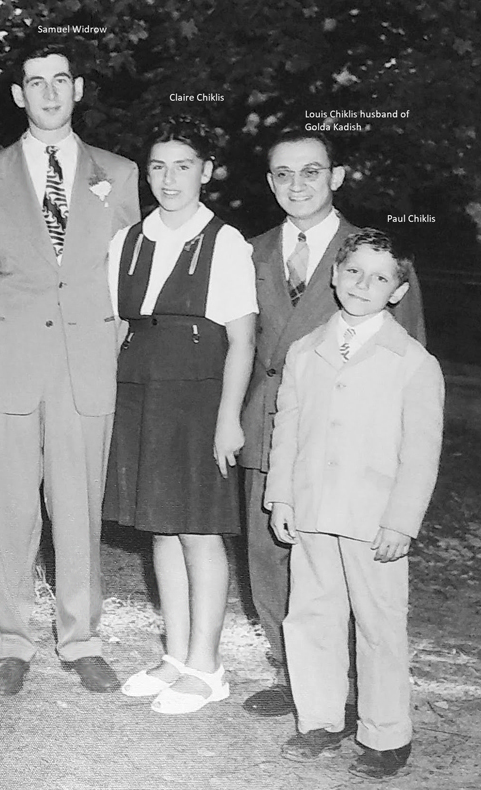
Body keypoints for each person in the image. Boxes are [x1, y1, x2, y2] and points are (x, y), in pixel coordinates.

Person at [0, 45, 140, 695]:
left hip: (84, 367)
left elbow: (128, 279)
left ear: (78, 89)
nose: (48, 92)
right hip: (9, 366)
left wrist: (105, 345)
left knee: (78, 510)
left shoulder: (118, 174)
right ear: (19, 95)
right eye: (34, 83)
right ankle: (11, 643)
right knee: (8, 511)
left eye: (59, 80)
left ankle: (81, 639)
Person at [240, 129, 426, 719]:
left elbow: (408, 361)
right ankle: (292, 675)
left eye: (312, 171)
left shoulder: (375, 256)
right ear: (269, 182)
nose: (298, 185)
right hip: (271, 425)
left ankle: (359, 693)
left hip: (352, 445)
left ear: (337, 177)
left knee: (356, 581)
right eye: (283, 174)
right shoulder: (248, 249)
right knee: (272, 553)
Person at [266, 229, 442, 780]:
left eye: (381, 277)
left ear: (397, 291)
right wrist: (281, 495)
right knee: (311, 613)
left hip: (374, 519)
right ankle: (319, 717)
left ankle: (387, 733)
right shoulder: (305, 349)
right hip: (314, 506)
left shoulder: (412, 362)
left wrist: (401, 521)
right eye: (355, 272)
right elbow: (288, 428)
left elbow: (420, 453)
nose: (364, 285)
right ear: (335, 276)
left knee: (379, 622)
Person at [105, 118, 256, 714]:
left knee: (198, 528)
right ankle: (175, 654)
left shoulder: (227, 243)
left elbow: (241, 342)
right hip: (140, 390)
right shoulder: (128, 241)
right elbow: (119, 327)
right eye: (158, 167)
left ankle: (207, 665)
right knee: (159, 526)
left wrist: (229, 419)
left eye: (183, 166)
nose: (169, 179)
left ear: (207, 171)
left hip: (197, 395)